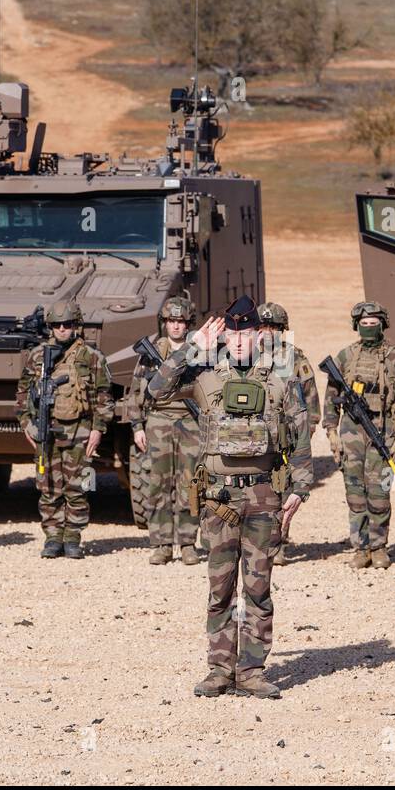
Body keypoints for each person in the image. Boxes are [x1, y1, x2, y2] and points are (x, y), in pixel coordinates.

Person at [147, 295, 312, 700]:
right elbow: (156, 390)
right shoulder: (204, 372)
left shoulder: (280, 373)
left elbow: (300, 431)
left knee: (257, 588)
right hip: (218, 499)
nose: (238, 340)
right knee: (220, 589)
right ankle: (220, 670)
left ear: (258, 333)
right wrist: (191, 347)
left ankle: (252, 671)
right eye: (232, 333)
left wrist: (300, 488)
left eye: (246, 332)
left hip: (262, 497)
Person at [323, 302, 395, 569]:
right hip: (351, 433)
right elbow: (331, 397)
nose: (369, 327)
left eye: (374, 323)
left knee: (380, 492)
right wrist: (331, 431)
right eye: (364, 324)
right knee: (354, 492)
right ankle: (360, 548)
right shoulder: (345, 357)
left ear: (383, 324)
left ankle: (379, 546)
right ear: (356, 326)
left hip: (383, 431)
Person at [16, 301, 112, 559]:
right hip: (46, 432)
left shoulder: (91, 357)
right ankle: (52, 538)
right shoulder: (38, 356)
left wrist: (97, 429)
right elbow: (23, 392)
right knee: (47, 487)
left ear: (75, 325)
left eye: (67, 324)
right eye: (57, 325)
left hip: (79, 431)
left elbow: (104, 396)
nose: (61, 329)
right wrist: (27, 422)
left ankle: (73, 538)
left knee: (78, 487)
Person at [130, 297, 202, 566]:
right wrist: (137, 426)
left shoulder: (198, 352)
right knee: (157, 484)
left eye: (181, 321)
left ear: (188, 324)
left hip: (190, 422)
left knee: (189, 485)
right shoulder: (152, 351)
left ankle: (187, 543)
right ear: (165, 323)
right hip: (158, 420)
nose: (175, 326)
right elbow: (136, 390)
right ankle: (160, 544)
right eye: (171, 321)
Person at [257, 301, 319, 566]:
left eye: (274, 327)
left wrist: (307, 431)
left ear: (282, 330)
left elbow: (310, 397)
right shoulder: (243, 356)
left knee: (283, 491)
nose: (268, 332)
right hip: (253, 437)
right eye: (263, 326)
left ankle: (278, 546)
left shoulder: (294, 358)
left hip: (286, 435)